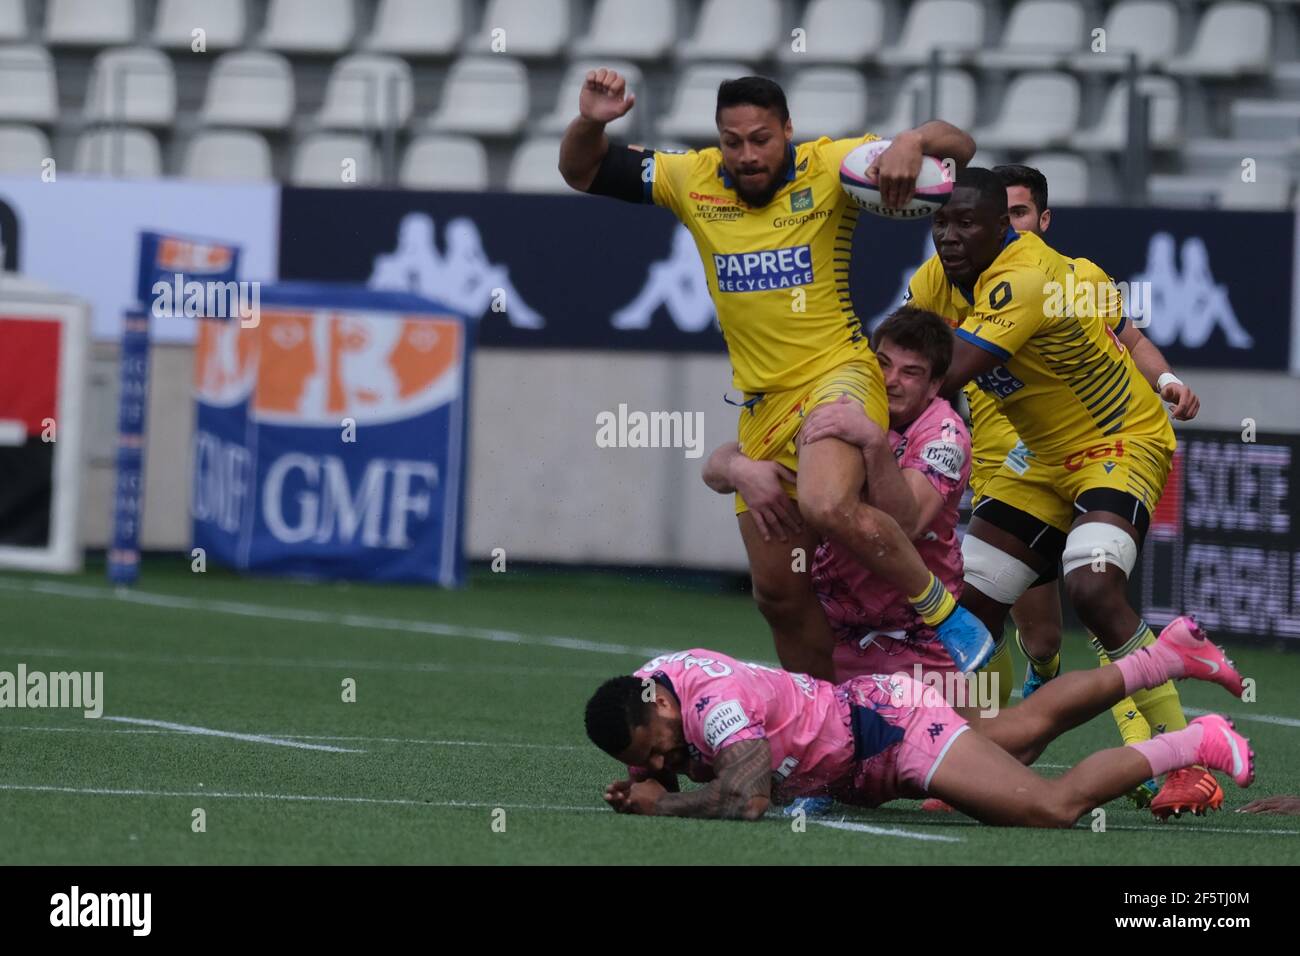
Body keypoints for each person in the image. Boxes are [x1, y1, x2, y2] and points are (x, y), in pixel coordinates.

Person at [558, 69, 990, 680]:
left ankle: (947, 615)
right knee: (779, 594)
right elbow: (582, 170)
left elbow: (961, 148)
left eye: (760, 139)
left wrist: (913, 139)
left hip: (836, 374)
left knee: (824, 502)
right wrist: (592, 122)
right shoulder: (692, 178)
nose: (746, 155)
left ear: (787, 131)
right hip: (761, 406)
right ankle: (827, 733)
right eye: (732, 141)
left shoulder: (831, 166)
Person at [583, 617, 1252, 824]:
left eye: (663, 748)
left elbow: (747, 797)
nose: (664, 762)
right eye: (655, 756)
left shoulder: (713, 702)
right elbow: (653, 763)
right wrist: (642, 780)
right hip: (864, 738)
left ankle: (1201, 738)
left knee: (1049, 808)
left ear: (667, 705)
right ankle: (1167, 655)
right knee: (1017, 733)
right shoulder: (646, 699)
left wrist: (660, 809)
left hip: (888, 733)